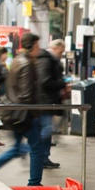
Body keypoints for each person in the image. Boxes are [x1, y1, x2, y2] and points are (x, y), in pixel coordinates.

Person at [0, 33, 46, 187]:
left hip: (14, 112)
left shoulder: (16, 61)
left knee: (16, 149)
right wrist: (35, 114)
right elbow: (27, 94)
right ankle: (34, 184)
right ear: (33, 46)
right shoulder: (27, 64)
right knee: (37, 148)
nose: (39, 48)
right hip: (25, 115)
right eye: (37, 45)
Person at [37, 39, 67, 169]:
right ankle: (40, 157)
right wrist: (62, 84)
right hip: (45, 101)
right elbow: (45, 82)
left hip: (48, 101)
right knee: (46, 131)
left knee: (47, 131)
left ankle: (43, 157)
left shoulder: (49, 60)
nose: (62, 54)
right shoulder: (46, 60)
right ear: (56, 48)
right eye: (61, 51)